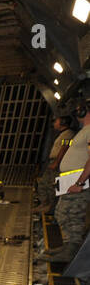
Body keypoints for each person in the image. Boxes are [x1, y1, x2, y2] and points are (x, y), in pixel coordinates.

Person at [39, 99, 90, 266]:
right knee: (62, 212)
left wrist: (81, 183)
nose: (77, 112)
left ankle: (70, 250)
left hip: (78, 181)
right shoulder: (82, 131)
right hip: (71, 178)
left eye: (79, 109)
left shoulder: (85, 131)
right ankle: (67, 246)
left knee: (71, 215)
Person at [38, 115, 75, 211]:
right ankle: (45, 204)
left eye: (56, 121)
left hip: (58, 162)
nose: (54, 123)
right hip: (54, 161)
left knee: (51, 185)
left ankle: (50, 207)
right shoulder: (62, 134)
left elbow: (64, 148)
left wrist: (56, 162)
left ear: (63, 123)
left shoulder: (68, 134)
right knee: (44, 183)